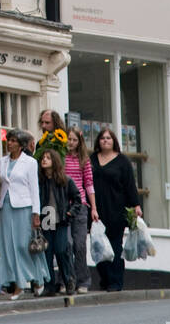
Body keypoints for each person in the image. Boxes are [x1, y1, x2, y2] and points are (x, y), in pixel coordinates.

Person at [0, 128, 49, 299]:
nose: (9, 143)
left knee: (23, 246)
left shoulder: (30, 162)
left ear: (21, 145)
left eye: (13, 141)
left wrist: (36, 214)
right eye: (8, 140)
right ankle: (18, 282)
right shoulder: (1, 162)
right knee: (8, 246)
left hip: (24, 207)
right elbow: (1, 184)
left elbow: (34, 189)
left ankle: (34, 280)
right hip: (6, 207)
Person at [90, 126, 142, 292]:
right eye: (102, 138)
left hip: (116, 209)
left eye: (108, 138)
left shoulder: (122, 161)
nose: (105, 140)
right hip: (97, 210)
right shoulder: (92, 159)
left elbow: (130, 186)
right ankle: (105, 278)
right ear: (98, 141)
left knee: (115, 246)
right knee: (99, 245)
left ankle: (115, 281)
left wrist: (136, 206)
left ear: (114, 142)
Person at [37, 148, 80, 294]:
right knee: (47, 253)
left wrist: (69, 213)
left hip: (60, 220)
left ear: (54, 161)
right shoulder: (40, 181)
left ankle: (69, 281)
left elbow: (77, 199)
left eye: (48, 158)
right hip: (45, 221)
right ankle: (49, 285)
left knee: (62, 250)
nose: (44, 160)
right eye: (43, 157)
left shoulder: (65, 180)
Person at [65, 125, 99, 293]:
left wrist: (94, 208)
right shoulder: (61, 157)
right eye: (68, 139)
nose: (71, 142)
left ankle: (83, 280)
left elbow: (89, 184)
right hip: (64, 205)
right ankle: (67, 279)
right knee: (66, 245)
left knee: (79, 245)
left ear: (79, 142)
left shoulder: (83, 160)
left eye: (74, 140)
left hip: (80, 205)